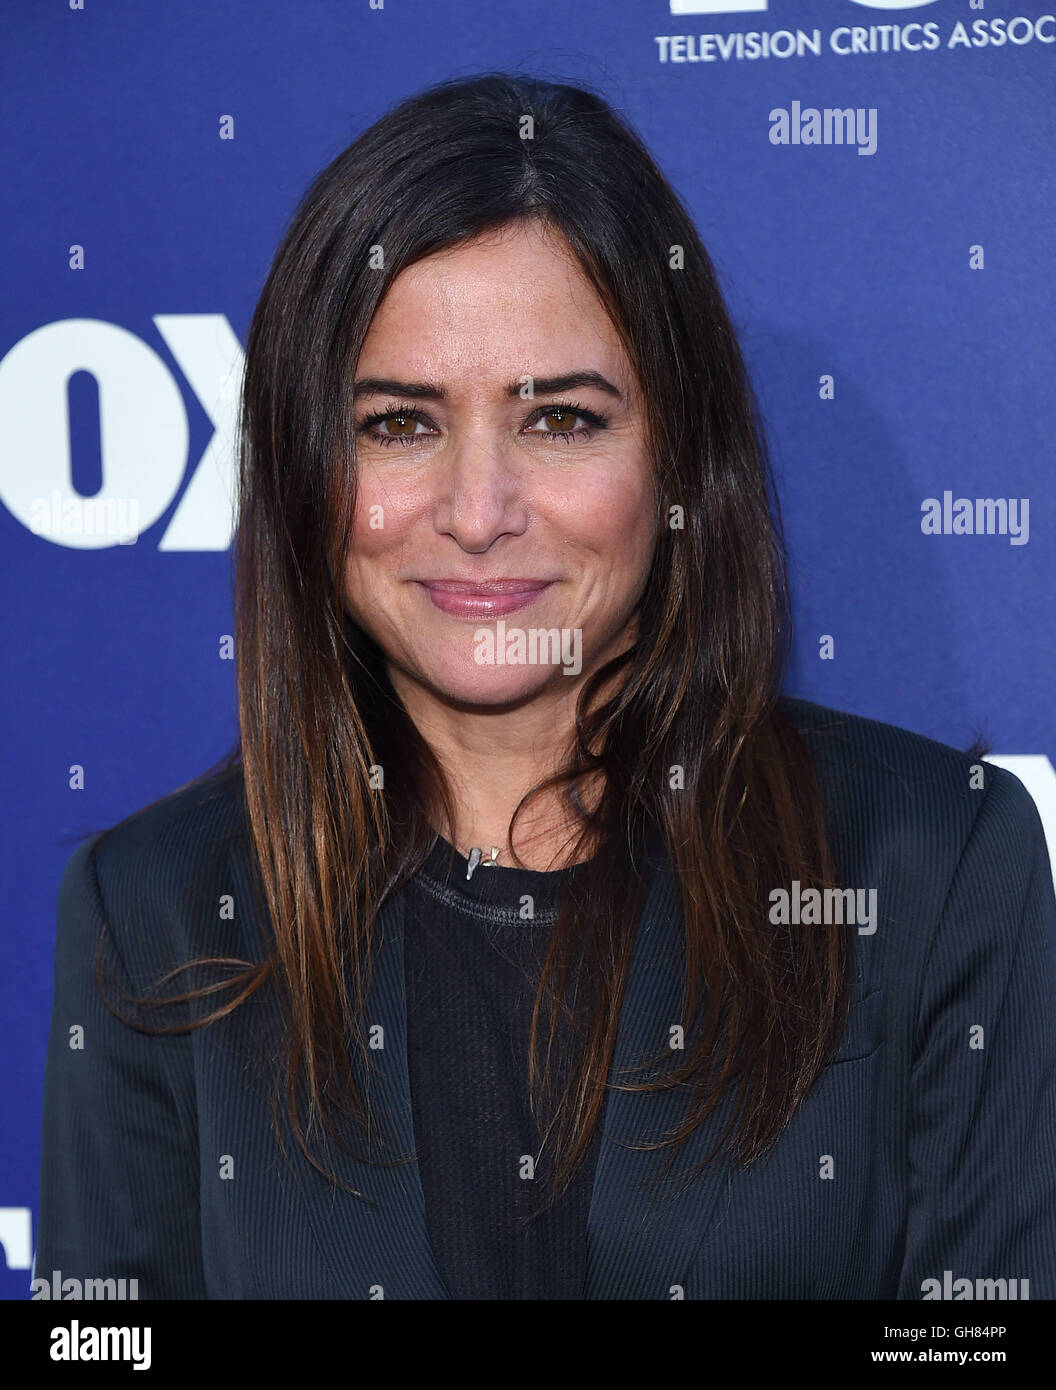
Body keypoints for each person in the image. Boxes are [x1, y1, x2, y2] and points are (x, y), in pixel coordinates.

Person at [36, 71, 1056, 1301]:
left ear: (680, 452)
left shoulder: (928, 864)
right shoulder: (152, 912)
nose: (478, 514)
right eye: (399, 425)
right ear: (303, 468)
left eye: (562, 420)